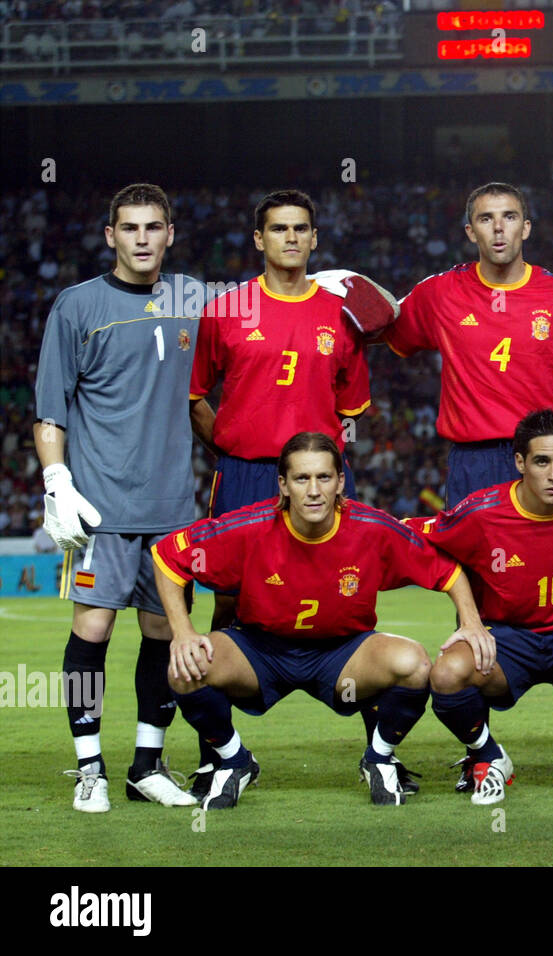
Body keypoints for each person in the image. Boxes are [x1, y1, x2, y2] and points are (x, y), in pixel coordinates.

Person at [386, 182, 553, 790]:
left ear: (527, 226)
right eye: (485, 219)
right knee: (490, 613)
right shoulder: (439, 293)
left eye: (510, 217)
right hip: (473, 460)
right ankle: (483, 750)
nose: (498, 229)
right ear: (469, 231)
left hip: (548, 463)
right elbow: (386, 329)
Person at [153, 432, 468, 807]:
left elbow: (445, 570)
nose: (314, 490)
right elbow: (168, 555)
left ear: (340, 482)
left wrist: (472, 623)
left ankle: (379, 757)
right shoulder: (249, 527)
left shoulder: (372, 528)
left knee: (413, 663)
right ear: (283, 486)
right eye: (302, 479)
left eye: (323, 477)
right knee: (184, 669)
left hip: (343, 656)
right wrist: (183, 632)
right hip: (260, 653)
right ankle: (234, 760)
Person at [187, 188, 382, 792]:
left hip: (318, 482)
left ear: (315, 240)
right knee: (223, 605)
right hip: (244, 472)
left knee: (348, 603)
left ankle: (379, 754)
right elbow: (195, 396)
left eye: (301, 229)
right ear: (259, 239)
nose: (290, 239)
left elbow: (353, 407)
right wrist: (236, 446)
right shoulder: (225, 310)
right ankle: (219, 754)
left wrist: (317, 465)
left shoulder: (338, 316)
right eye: (278, 229)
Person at [34, 183, 202, 813]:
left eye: (153, 227)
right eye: (129, 228)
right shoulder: (75, 307)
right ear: (111, 236)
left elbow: (264, 313)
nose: (141, 239)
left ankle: (147, 766)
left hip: (172, 509)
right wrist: (57, 483)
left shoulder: (193, 298)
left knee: (162, 631)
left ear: (169, 234)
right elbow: (51, 408)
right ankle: (88, 768)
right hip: (101, 509)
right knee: (94, 628)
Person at [408, 409, 553, 803]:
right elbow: (420, 542)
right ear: (520, 462)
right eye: (541, 461)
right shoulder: (482, 512)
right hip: (509, 641)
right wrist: (469, 618)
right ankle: (490, 757)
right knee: (447, 675)